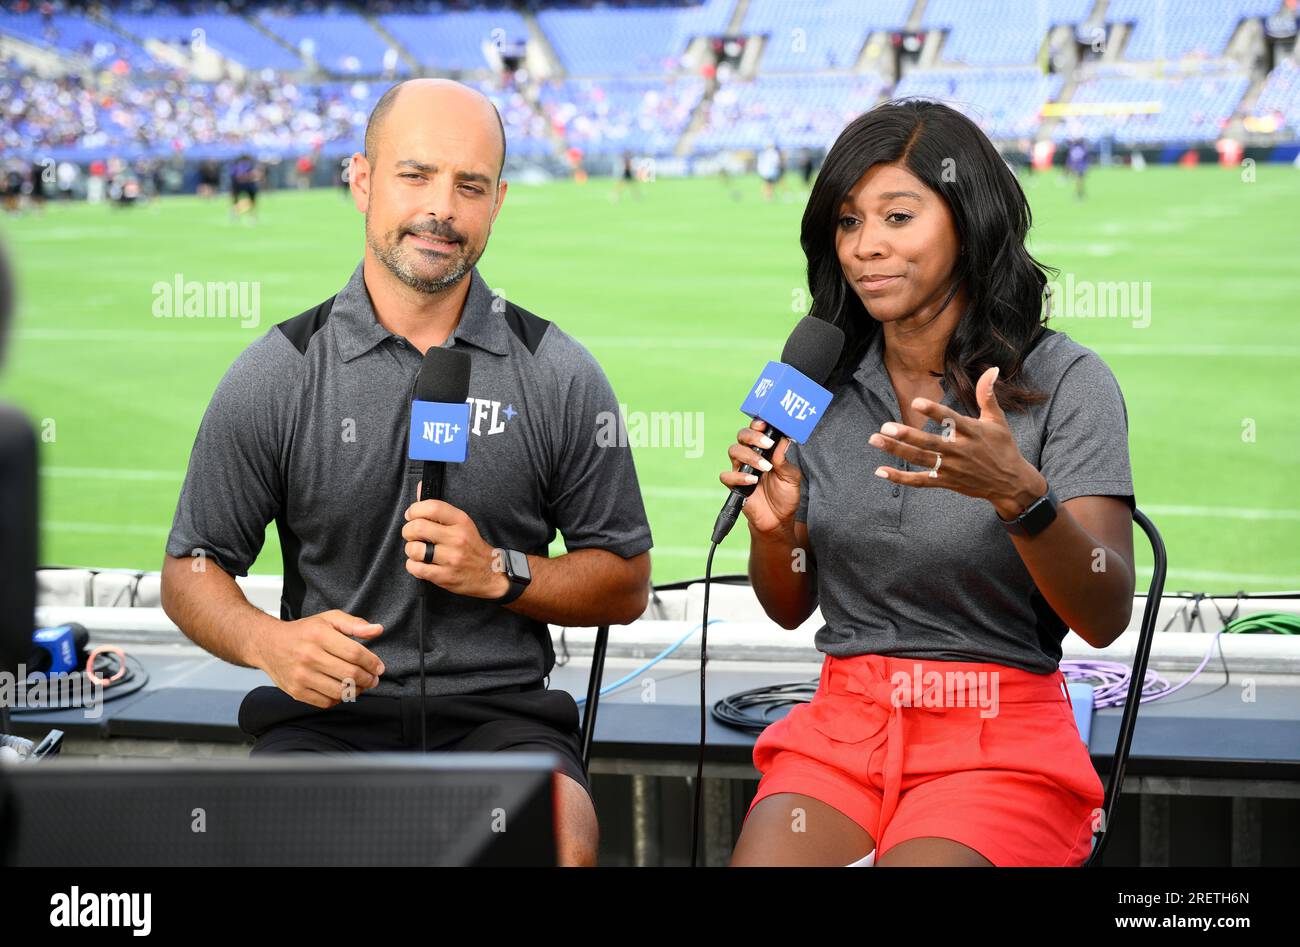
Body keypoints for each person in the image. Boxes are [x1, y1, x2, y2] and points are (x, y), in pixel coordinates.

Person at [161, 79, 654, 867]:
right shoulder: (277, 373)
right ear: (361, 180)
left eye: (470, 186)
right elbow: (191, 567)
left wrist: (502, 571)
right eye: (415, 175)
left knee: (561, 838)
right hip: (328, 722)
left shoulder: (557, 372)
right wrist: (268, 642)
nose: (443, 209)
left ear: (498, 202)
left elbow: (626, 581)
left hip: (504, 718)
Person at [721, 100, 1134, 867]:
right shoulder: (818, 387)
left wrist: (1021, 498)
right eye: (848, 223)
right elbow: (788, 608)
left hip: (997, 734)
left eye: (898, 217)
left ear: (969, 224)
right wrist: (778, 534)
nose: (866, 248)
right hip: (843, 726)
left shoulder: (1067, 382)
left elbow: (1105, 613)